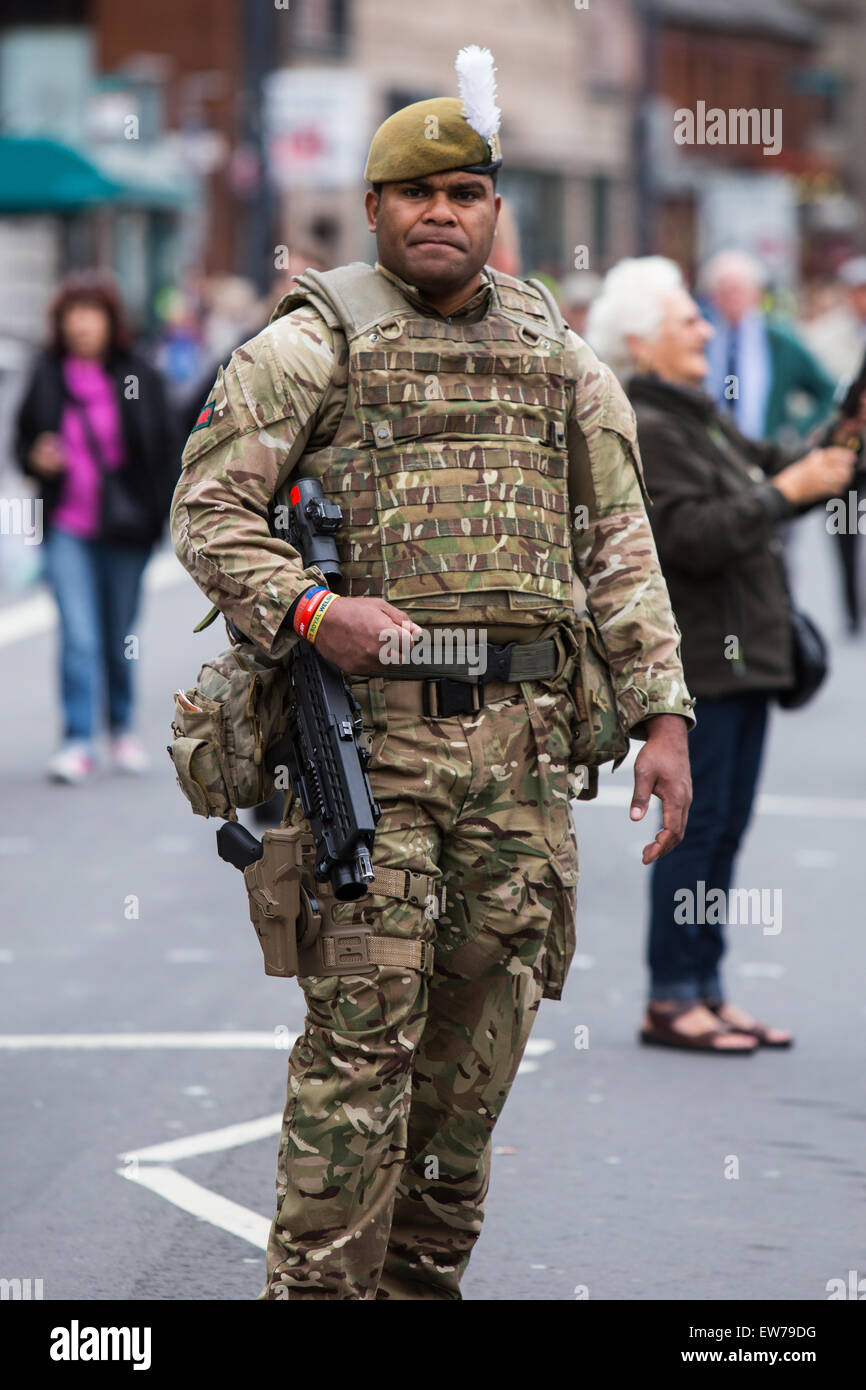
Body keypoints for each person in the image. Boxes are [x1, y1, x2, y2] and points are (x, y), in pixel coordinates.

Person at [170, 49, 694, 1300]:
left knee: (470, 1081)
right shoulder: (309, 345)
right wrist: (312, 607)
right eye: (416, 194)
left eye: (464, 191)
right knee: (357, 1064)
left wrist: (663, 711)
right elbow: (208, 509)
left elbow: (617, 537)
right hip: (374, 747)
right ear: (372, 210)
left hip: (518, 760)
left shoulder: (554, 353)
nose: (441, 213)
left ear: (494, 208)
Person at [587, 257, 857, 1053]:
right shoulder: (648, 424)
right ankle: (672, 996)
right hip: (703, 662)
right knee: (696, 832)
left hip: (744, 662)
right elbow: (690, 536)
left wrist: (839, 442)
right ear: (643, 341)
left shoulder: (694, 412)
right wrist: (792, 490)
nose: (708, 327)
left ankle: (705, 985)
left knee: (726, 828)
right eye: (688, 320)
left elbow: (774, 468)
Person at [16, 270, 178, 783]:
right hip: (66, 525)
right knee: (79, 635)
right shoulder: (47, 372)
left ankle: (122, 727)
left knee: (118, 635)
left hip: (126, 529)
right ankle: (78, 739)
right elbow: (20, 440)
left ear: (111, 321)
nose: (81, 326)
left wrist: (158, 516)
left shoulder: (136, 376)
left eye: (92, 315)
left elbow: (165, 449)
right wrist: (36, 457)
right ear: (60, 324)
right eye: (72, 316)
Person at [701, 249, 836, 446]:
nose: (732, 298)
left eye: (738, 290)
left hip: (763, 450)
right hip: (714, 449)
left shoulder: (778, 339)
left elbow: (828, 392)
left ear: (756, 293)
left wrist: (796, 432)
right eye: (724, 291)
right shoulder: (704, 337)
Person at [802, 255, 866, 631]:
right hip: (844, 450)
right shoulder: (823, 336)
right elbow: (811, 394)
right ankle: (852, 609)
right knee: (844, 530)